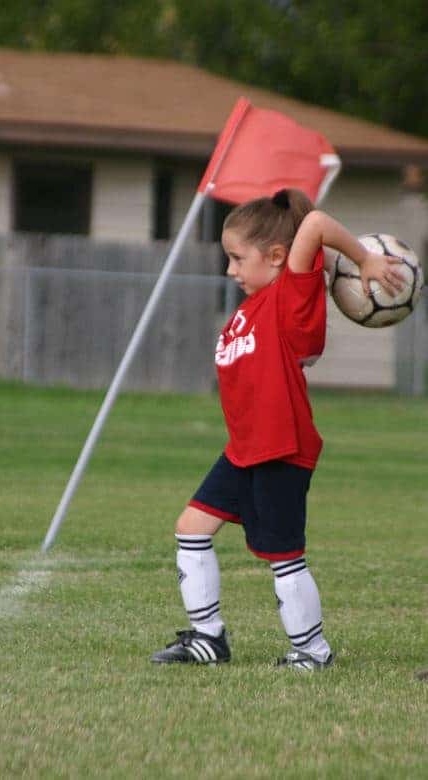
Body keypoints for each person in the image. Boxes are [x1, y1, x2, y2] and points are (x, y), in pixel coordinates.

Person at [151, 188, 403, 671]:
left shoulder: (291, 296)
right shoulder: (257, 303)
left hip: (280, 449)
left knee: (284, 556)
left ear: (276, 257)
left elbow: (318, 224)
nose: (230, 270)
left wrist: (365, 259)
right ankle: (209, 639)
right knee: (191, 528)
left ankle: (312, 652)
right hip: (244, 449)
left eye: (236, 259)